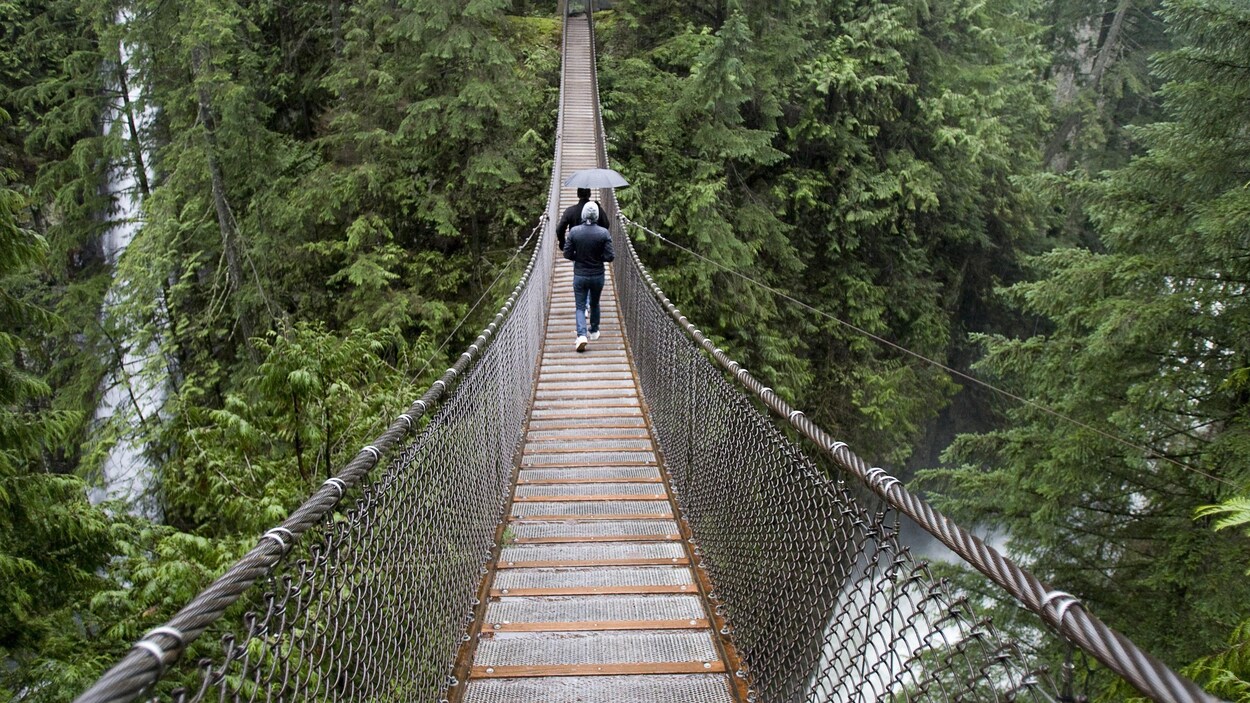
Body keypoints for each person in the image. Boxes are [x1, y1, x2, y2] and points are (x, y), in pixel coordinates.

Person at [563, 201, 614, 352]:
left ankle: (581, 335)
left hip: (580, 275)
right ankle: (595, 331)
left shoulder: (574, 232)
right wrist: (599, 258)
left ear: (583, 215)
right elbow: (610, 256)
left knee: (580, 307)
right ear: (597, 215)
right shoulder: (604, 233)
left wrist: (578, 257)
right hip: (597, 275)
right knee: (595, 303)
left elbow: (566, 253)